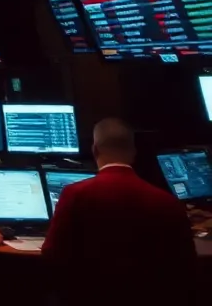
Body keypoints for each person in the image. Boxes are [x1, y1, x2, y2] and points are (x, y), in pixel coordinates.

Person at [42, 118, 196, 304]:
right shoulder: (167, 201)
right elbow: (185, 265)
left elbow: (51, 253)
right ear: (133, 152)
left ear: (95, 150)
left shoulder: (74, 194)